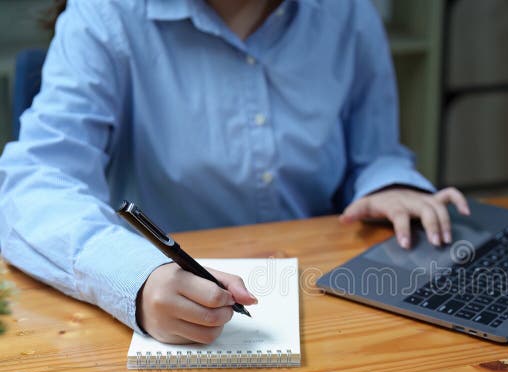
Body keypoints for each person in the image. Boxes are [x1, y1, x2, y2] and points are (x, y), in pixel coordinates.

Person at [0, 0, 470, 344]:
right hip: (174, 304)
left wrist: (389, 182)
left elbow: (375, 152)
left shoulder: (348, 12)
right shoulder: (106, 16)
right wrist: (136, 278)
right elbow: (34, 185)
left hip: (326, 303)